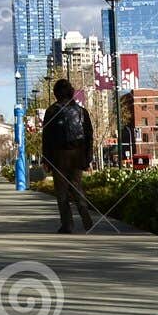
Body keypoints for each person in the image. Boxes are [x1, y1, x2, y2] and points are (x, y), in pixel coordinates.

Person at [41, 79, 97, 233]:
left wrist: (45, 159)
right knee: (77, 188)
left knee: (62, 192)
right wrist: (88, 157)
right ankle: (87, 222)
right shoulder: (81, 111)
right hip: (77, 154)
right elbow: (89, 136)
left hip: (59, 156)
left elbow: (46, 137)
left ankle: (67, 225)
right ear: (71, 92)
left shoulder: (51, 111)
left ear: (56, 93)